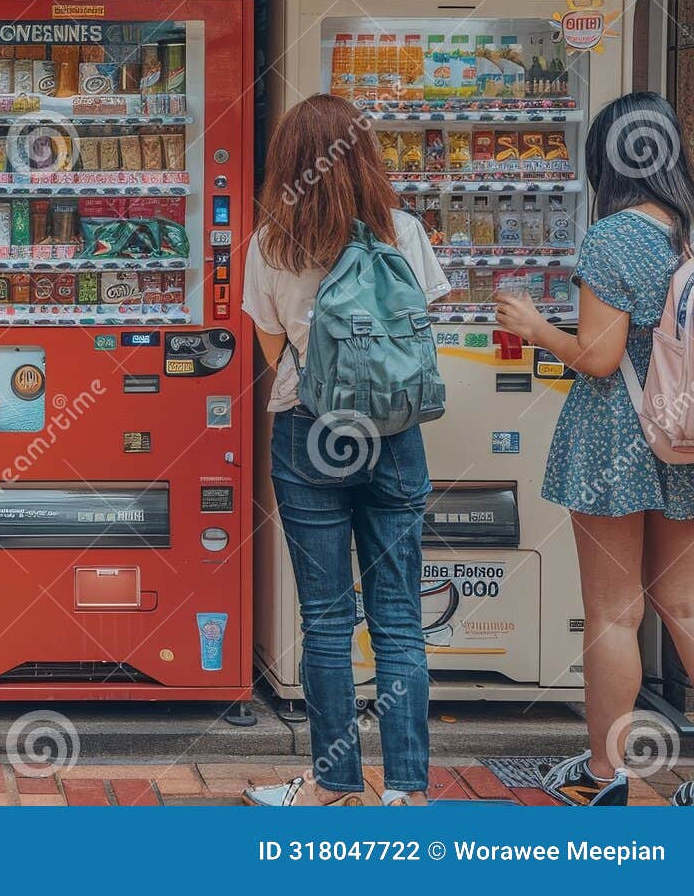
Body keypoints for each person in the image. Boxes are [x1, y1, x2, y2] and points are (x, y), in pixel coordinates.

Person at [241, 94, 448, 807]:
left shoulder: (269, 242)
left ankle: (335, 784)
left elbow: (276, 353)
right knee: (398, 618)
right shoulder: (405, 232)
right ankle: (410, 791)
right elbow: (422, 325)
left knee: (327, 617)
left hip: (311, 435)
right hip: (395, 439)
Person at [496, 91, 694, 808]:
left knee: (614, 612)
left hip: (617, 434)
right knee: (685, 604)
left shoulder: (614, 238)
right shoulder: (688, 231)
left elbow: (599, 357)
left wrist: (530, 324)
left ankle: (608, 775)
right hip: (683, 432)